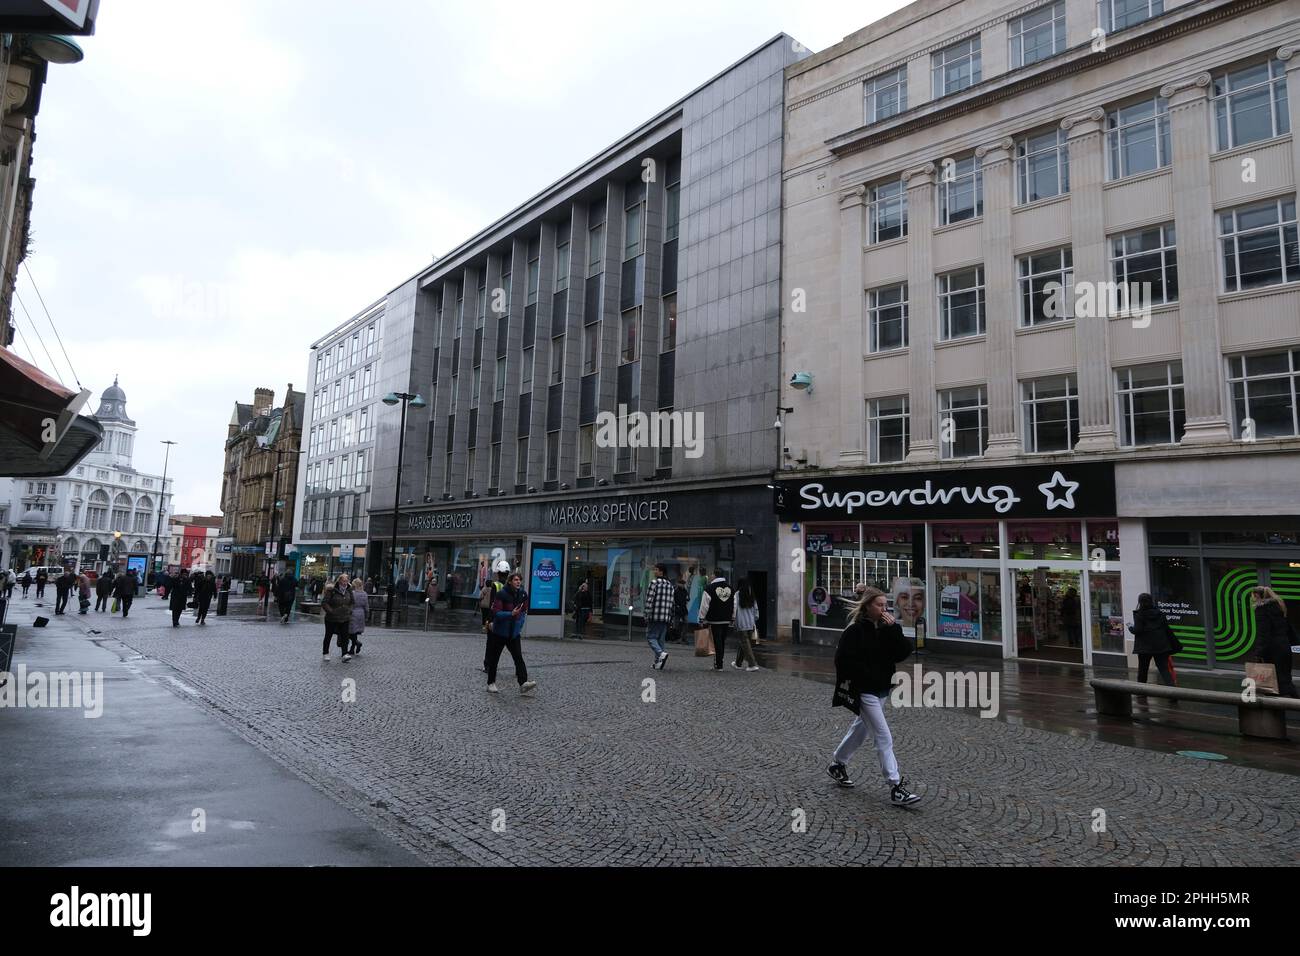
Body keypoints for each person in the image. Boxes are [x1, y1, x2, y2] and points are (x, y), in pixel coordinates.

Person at [826, 586, 921, 806]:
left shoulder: (886, 628)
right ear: (867, 606)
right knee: (883, 737)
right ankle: (896, 786)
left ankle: (838, 763)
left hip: (882, 689)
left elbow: (903, 652)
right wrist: (863, 678)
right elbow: (843, 661)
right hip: (865, 690)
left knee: (860, 730)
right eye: (879, 605)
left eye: (885, 605)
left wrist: (893, 629)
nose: (883, 609)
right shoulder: (855, 630)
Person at [486, 571, 536, 695]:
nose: (518, 582)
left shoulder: (523, 594)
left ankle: (523, 683)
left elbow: (523, 612)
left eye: (519, 580)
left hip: (513, 633)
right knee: (494, 658)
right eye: (515, 580)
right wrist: (510, 614)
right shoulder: (501, 594)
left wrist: (519, 625)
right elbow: (496, 612)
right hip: (500, 632)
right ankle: (491, 683)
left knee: (518, 657)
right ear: (510, 581)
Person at [1251, 586, 1297, 697]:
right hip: (1284, 645)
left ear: (1257, 595)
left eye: (1253, 596)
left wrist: (1259, 653)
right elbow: (1287, 626)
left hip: (1273, 648)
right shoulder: (1279, 606)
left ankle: (1278, 709)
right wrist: (1293, 641)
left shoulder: (1261, 610)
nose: (1253, 599)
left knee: (1274, 680)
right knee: (1285, 677)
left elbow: (1263, 633)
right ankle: (1294, 701)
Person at [1127, 593, 1177, 688]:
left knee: (1143, 670)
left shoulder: (1139, 615)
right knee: (1164, 670)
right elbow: (1166, 628)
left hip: (1144, 648)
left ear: (1140, 602)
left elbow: (1137, 630)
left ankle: (1141, 692)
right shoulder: (1159, 613)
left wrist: (1130, 627)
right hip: (1161, 646)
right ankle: (1173, 693)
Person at [697, 569, 735, 671]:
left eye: (711, 574)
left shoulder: (709, 588)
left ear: (714, 575)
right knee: (722, 641)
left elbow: (704, 605)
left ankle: (718, 664)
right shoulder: (731, 588)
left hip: (714, 619)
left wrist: (701, 618)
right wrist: (733, 616)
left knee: (717, 641)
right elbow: (734, 604)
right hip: (726, 619)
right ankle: (719, 662)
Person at [643, 563, 674, 670]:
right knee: (660, 640)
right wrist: (671, 618)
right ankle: (657, 663)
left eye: (656, 570)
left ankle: (661, 654)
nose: (654, 571)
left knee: (650, 637)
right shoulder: (670, 585)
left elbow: (649, 600)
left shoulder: (654, 583)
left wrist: (646, 614)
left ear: (661, 571)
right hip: (665, 617)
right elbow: (672, 603)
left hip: (655, 615)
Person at [480, 561, 510, 671]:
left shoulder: (495, 585)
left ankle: (488, 665)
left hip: (496, 618)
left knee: (491, 644)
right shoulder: (510, 586)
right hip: (507, 618)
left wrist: (488, 620)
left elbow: (492, 604)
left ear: (498, 573)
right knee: (512, 647)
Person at [321, 574, 355, 662]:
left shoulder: (349, 590)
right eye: (343, 581)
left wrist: (349, 610)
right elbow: (324, 603)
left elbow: (352, 602)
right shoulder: (331, 590)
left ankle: (344, 653)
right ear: (339, 581)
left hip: (345, 617)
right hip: (332, 618)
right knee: (328, 635)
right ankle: (325, 653)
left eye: (346, 581)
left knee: (345, 636)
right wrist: (331, 611)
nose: (345, 583)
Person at [731, 578, 761, 671]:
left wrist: (733, 619)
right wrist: (755, 619)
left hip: (741, 623)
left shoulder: (737, 595)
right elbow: (756, 610)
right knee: (744, 643)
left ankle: (752, 664)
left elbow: (734, 608)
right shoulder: (751, 595)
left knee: (745, 643)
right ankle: (738, 663)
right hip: (751, 623)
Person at [348, 578, 368, 656]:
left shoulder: (352, 593)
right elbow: (366, 606)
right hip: (361, 614)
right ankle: (352, 649)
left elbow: (349, 603)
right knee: (355, 632)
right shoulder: (364, 594)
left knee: (350, 632)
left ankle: (357, 643)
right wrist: (366, 616)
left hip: (353, 613)